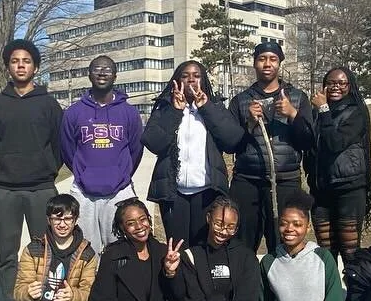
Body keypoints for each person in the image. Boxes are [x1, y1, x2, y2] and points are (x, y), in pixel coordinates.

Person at [0, 39, 64, 301]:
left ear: (35, 67)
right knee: (6, 253)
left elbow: (59, 144)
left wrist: (47, 168)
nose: (20, 65)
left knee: (44, 250)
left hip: (40, 189)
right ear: (8, 66)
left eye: (26, 61)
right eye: (15, 61)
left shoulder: (49, 104)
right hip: (4, 190)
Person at [142, 60, 245, 248]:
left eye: (196, 76)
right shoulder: (164, 107)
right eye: (185, 75)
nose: (191, 80)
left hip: (206, 190)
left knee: (202, 247)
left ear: (203, 80)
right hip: (174, 192)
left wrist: (206, 108)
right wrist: (175, 111)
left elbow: (233, 140)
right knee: (179, 248)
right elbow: (153, 143)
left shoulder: (214, 106)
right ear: (177, 80)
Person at [229, 40, 314, 252]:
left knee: (283, 242)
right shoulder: (240, 101)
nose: (267, 64)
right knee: (242, 243)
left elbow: (308, 140)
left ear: (279, 63)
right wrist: (248, 122)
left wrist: (293, 114)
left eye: (273, 59)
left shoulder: (296, 97)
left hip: (285, 180)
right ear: (255, 64)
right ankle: (246, 284)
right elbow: (230, 144)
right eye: (262, 59)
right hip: (248, 181)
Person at [60, 56, 144, 252]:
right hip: (84, 192)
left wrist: (121, 173)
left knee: (121, 248)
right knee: (85, 251)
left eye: (107, 69)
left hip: (119, 191)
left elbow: (136, 150)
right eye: (97, 69)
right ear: (89, 74)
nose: (102, 73)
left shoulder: (129, 112)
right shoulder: (74, 112)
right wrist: (83, 172)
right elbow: (66, 149)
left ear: (115, 75)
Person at [307, 66, 371, 262]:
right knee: (326, 252)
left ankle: (355, 291)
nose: (336, 87)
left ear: (350, 85)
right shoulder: (318, 113)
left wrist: (323, 109)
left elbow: (334, 143)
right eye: (330, 83)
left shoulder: (357, 112)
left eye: (341, 83)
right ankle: (332, 292)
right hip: (321, 189)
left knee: (350, 249)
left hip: (349, 187)